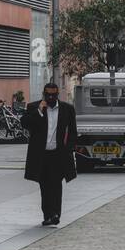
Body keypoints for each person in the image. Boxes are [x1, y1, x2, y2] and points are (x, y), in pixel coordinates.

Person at [21, 81, 78, 226]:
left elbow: (73, 132)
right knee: (44, 186)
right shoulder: (34, 107)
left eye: (54, 95)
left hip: (58, 154)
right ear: (44, 95)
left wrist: (69, 149)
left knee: (56, 185)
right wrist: (39, 111)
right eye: (48, 95)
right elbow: (24, 123)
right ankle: (47, 215)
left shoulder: (67, 109)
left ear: (58, 94)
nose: (51, 98)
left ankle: (56, 214)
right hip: (41, 155)